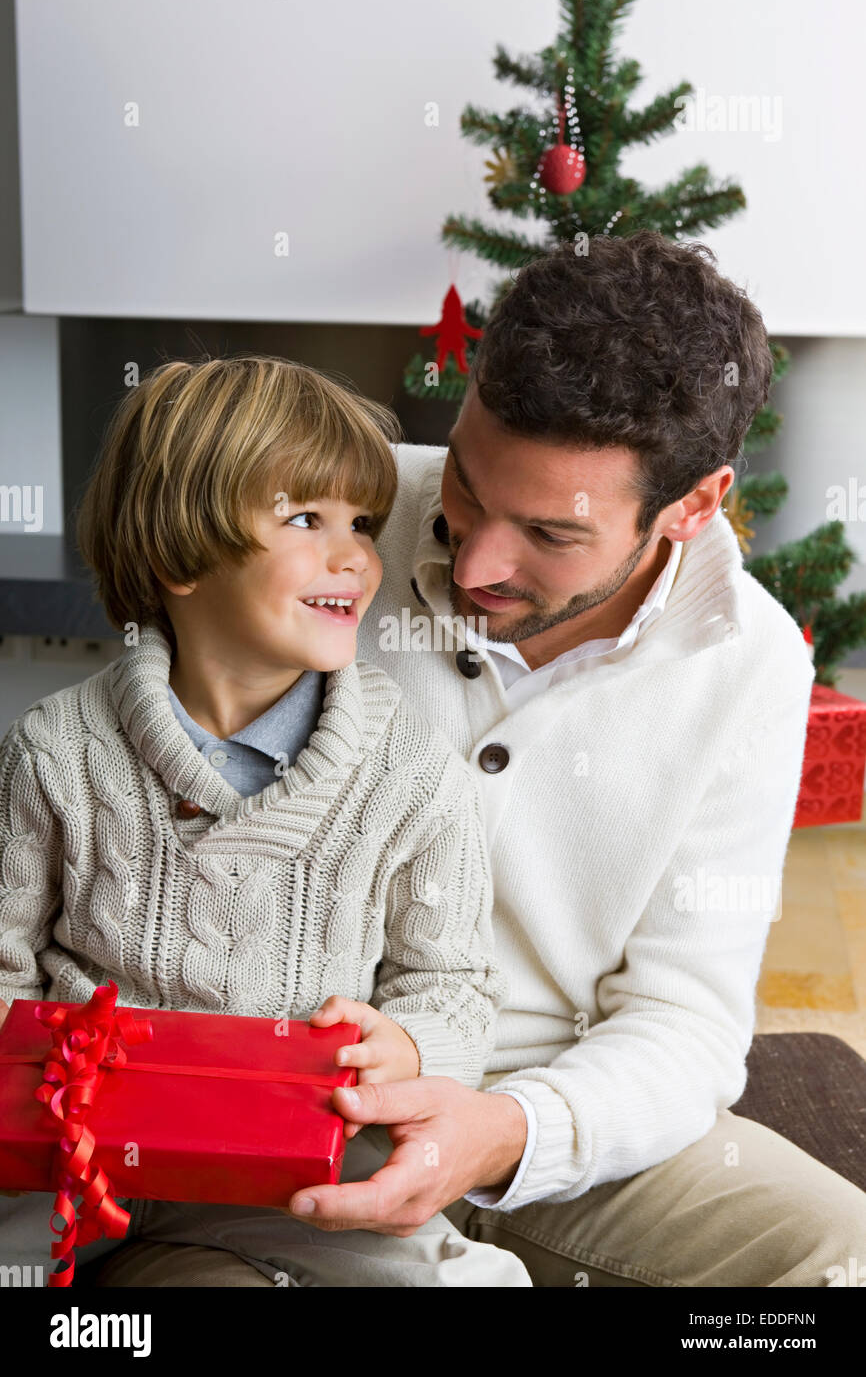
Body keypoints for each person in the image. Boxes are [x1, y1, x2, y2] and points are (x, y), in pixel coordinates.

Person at [99, 229, 866, 1288]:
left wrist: (507, 1130)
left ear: (691, 506)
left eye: (550, 535)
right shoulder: (326, 522)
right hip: (283, 1107)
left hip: (547, 1116)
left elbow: (682, 1023)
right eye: (465, 480)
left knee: (839, 1257)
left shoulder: (750, 663)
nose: (474, 559)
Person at [0, 354, 532, 1287]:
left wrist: (406, 1043)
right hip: (71, 1168)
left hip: (314, 1172)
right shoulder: (54, 754)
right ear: (176, 557)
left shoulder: (411, 775)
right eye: (305, 519)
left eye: (361, 523)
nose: (355, 556)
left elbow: (454, 984)